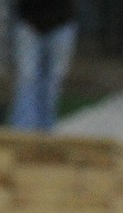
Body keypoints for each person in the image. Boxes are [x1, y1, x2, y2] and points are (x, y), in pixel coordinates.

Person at [10, 0, 78, 132]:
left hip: (62, 21)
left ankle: (46, 132)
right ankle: (22, 133)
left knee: (53, 82)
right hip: (29, 21)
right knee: (27, 79)